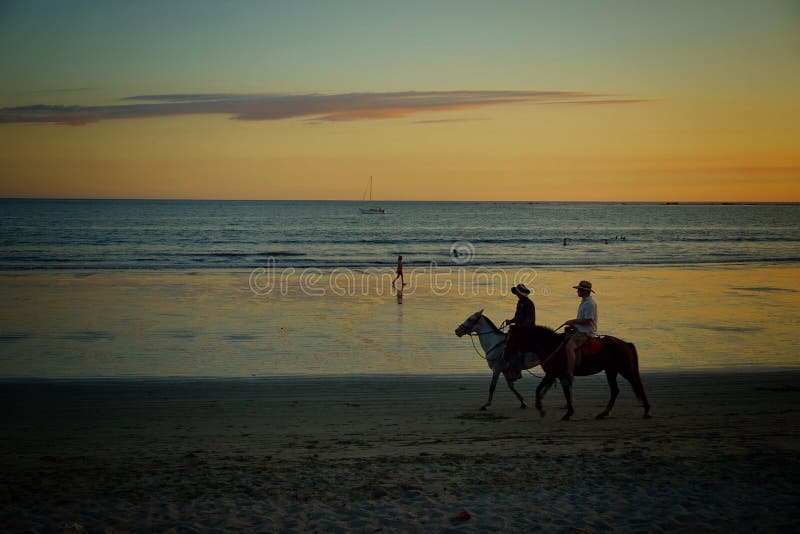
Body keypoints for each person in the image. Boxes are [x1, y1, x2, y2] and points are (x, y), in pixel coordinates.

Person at [563, 280, 598, 381]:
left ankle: (570, 373)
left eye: (579, 289)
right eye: (578, 289)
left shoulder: (590, 304)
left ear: (585, 291)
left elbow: (588, 321)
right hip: (580, 330)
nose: (577, 291)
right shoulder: (584, 302)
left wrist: (572, 321)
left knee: (569, 347)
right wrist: (573, 325)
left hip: (585, 333)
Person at [503, 283, 536, 379]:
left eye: (517, 293)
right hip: (519, 329)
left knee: (516, 346)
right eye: (516, 293)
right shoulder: (520, 303)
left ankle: (517, 371)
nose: (516, 294)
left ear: (521, 293)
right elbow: (517, 317)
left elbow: (529, 320)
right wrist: (511, 321)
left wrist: (519, 328)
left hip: (528, 330)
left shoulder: (529, 303)